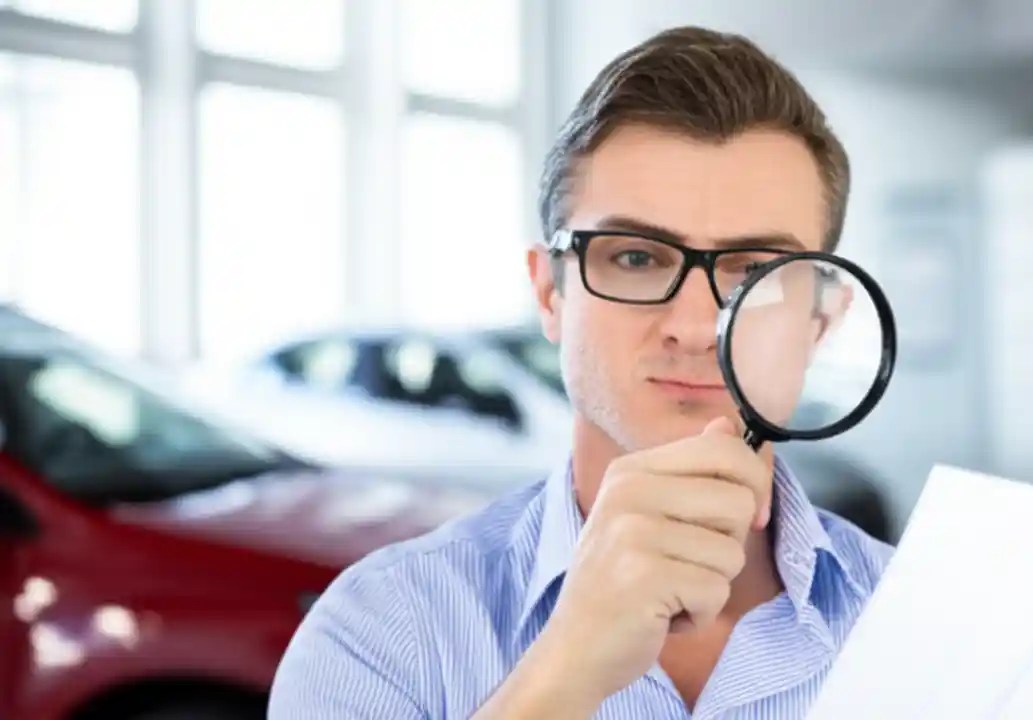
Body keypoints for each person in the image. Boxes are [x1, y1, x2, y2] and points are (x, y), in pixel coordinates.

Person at [268, 25, 893, 719]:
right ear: (550, 294)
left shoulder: (930, 622)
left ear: (821, 319)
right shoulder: (379, 631)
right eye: (635, 258)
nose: (693, 324)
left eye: (755, 271)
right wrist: (564, 670)